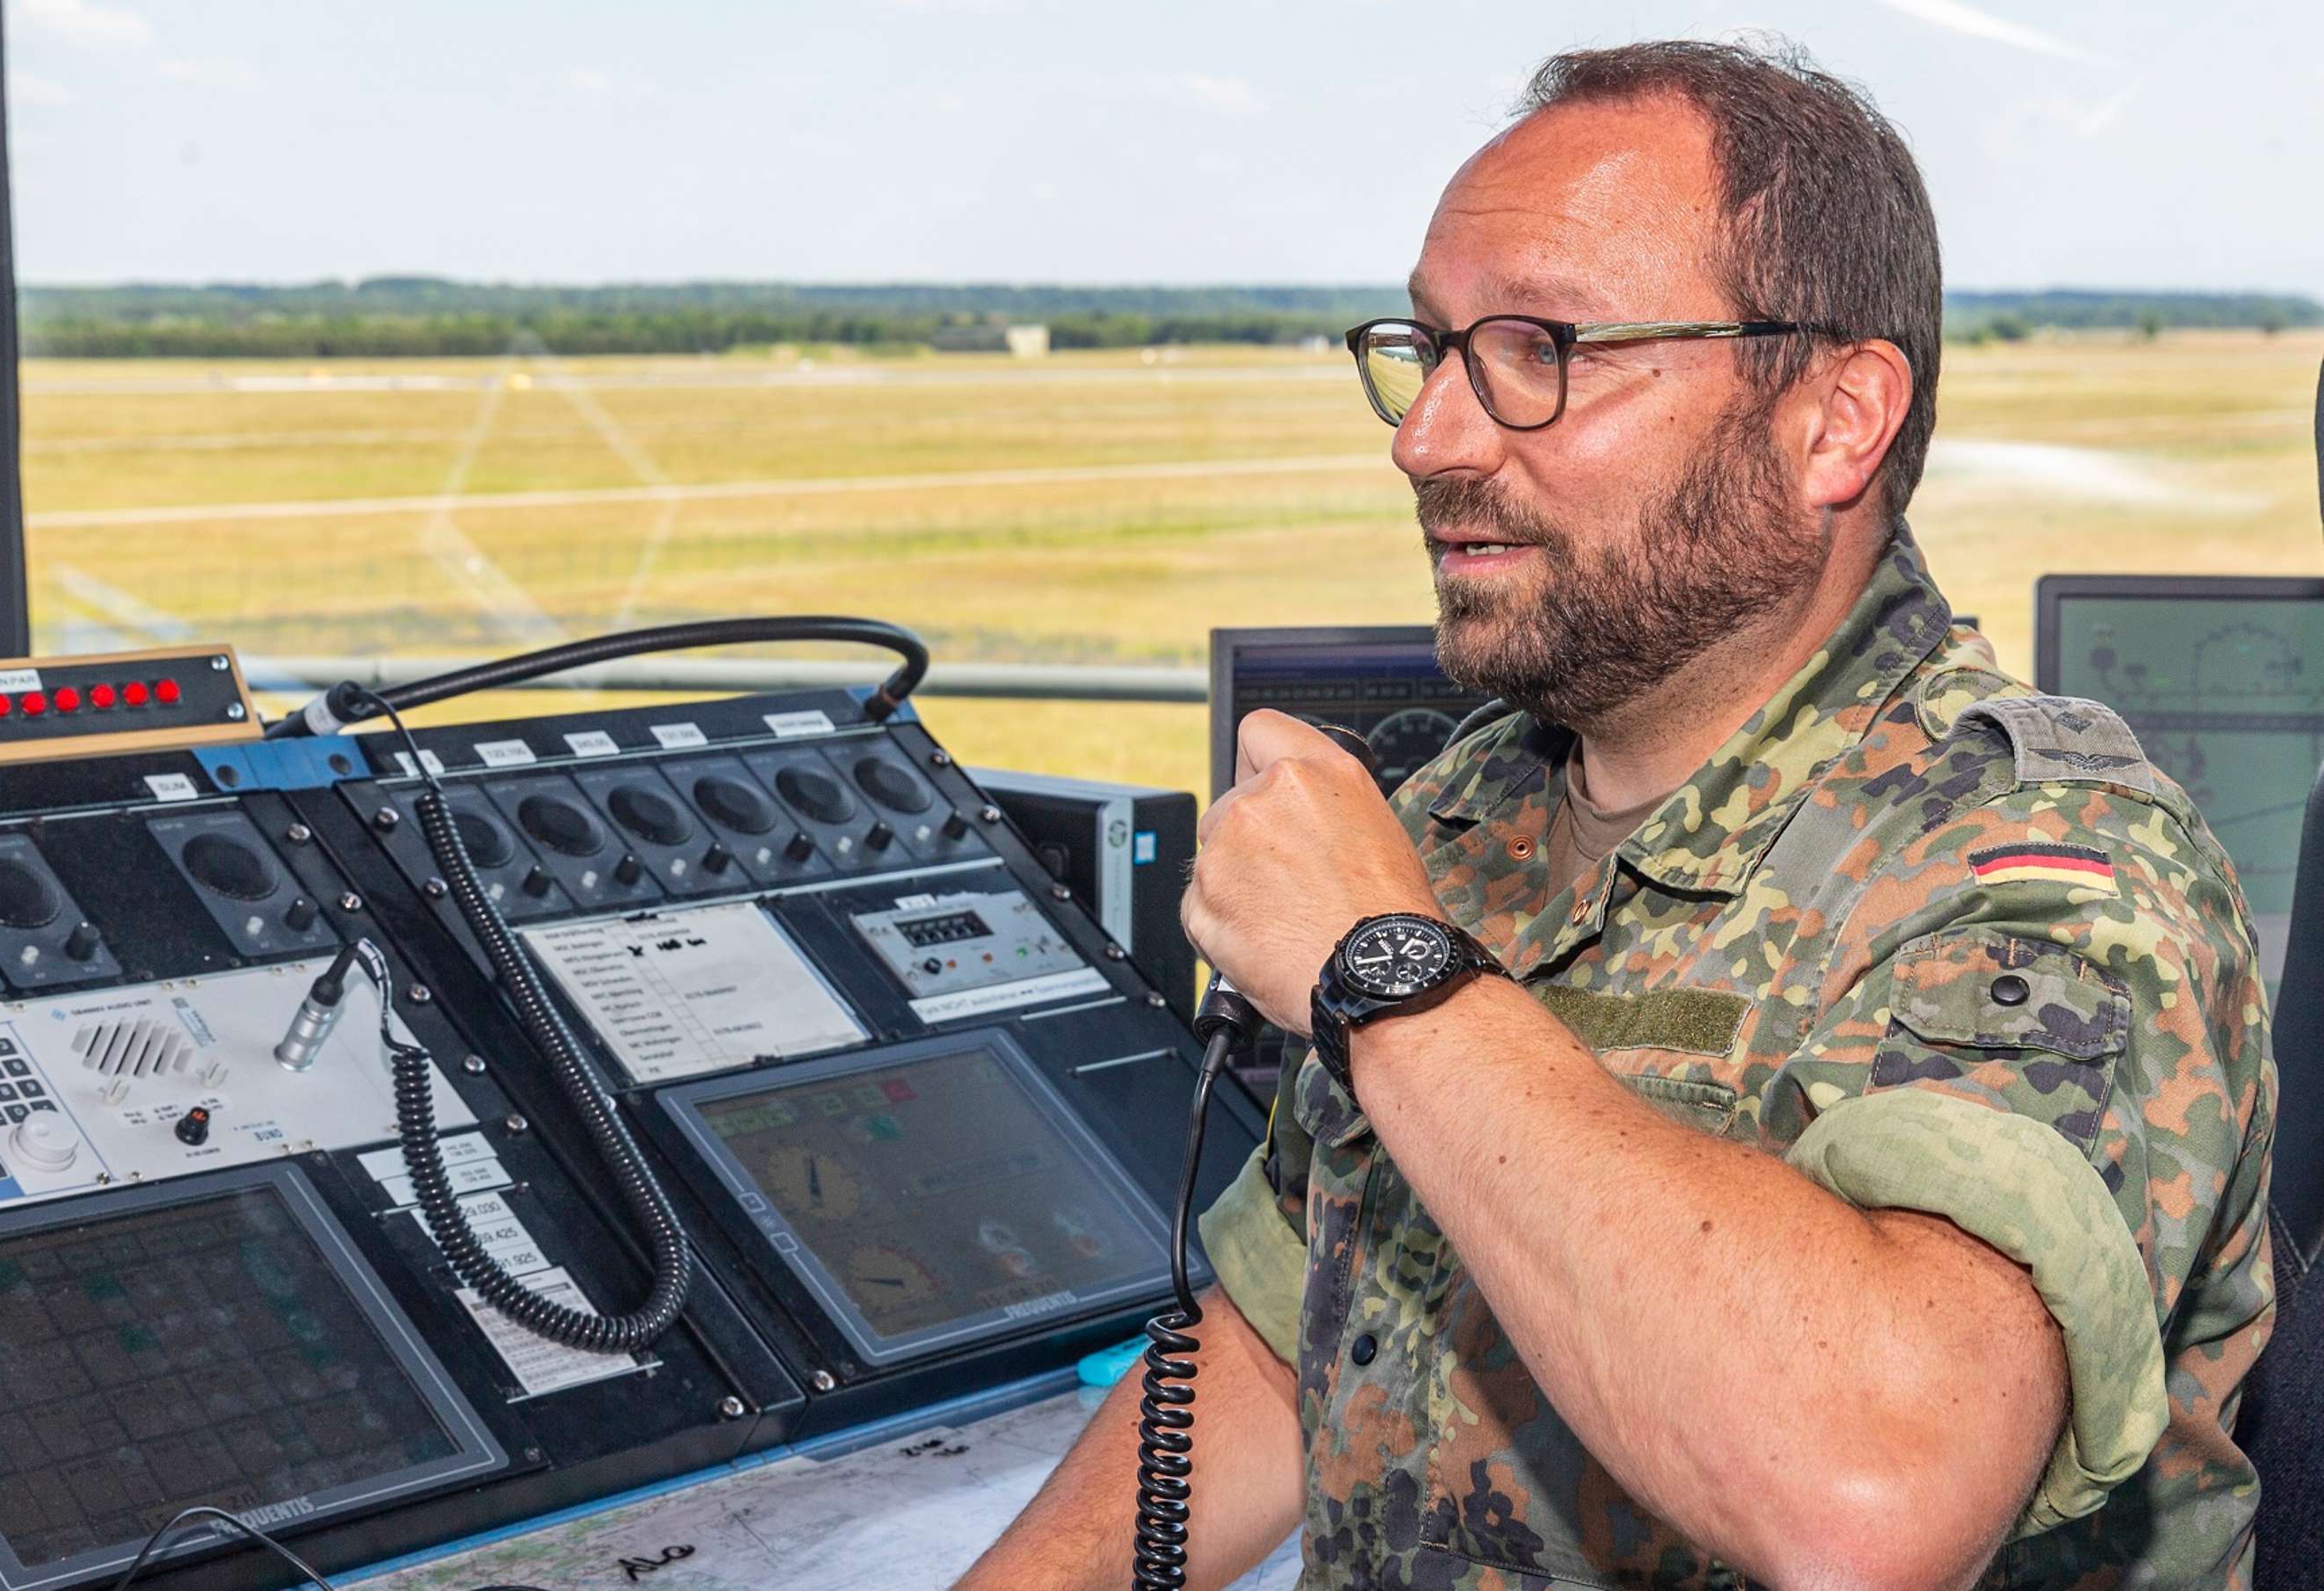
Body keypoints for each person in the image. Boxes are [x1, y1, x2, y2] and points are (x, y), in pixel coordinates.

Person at [955, 37, 2273, 1591]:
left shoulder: (2052, 874)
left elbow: (1873, 1491)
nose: (1427, 439)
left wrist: (1390, 974)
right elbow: (1276, 1334)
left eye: (1543, 348)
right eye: (1432, 349)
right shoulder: (1456, 819)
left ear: (1836, 418)